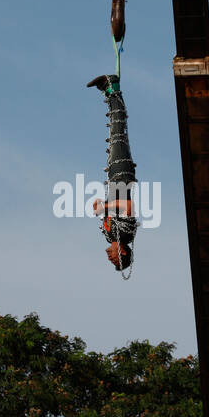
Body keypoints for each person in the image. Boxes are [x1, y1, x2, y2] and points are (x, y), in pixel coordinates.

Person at [87, 73, 137, 272]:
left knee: (114, 134)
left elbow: (101, 208)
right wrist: (105, 206)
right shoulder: (126, 235)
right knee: (118, 131)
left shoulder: (111, 235)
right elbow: (128, 205)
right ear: (123, 252)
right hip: (122, 179)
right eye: (115, 260)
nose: (109, 258)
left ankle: (109, 92)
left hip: (113, 182)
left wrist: (100, 206)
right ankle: (112, 86)